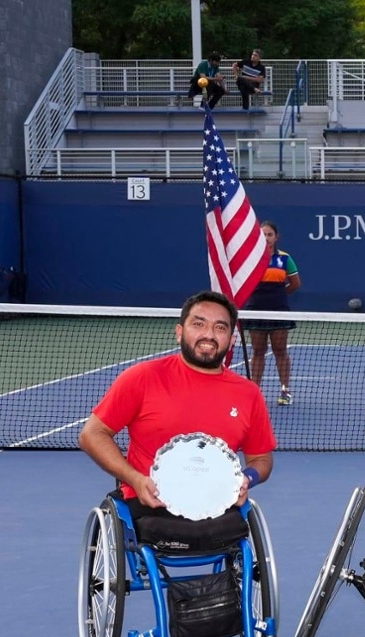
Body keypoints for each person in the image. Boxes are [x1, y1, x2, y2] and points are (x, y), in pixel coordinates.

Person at [77, 290, 276, 525]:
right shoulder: (142, 378)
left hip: (219, 507)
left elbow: (261, 458)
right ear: (179, 332)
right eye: (198, 324)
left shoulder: (248, 393)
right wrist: (136, 479)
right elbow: (92, 434)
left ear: (232, 340)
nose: (208, 335)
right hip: (150, 505)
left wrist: (246, 478)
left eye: (220, 328)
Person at [245, 221, 301, 405]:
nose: (266, 238)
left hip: (278, 310)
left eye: (269, 234)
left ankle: (285, 391)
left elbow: (295, 284)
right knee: (258, 350)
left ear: (276, 237)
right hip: (256, 310)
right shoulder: (250, 258)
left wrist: (278, 296)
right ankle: (255, 391)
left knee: (280, 350)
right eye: (263, 234)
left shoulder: (284, 259)